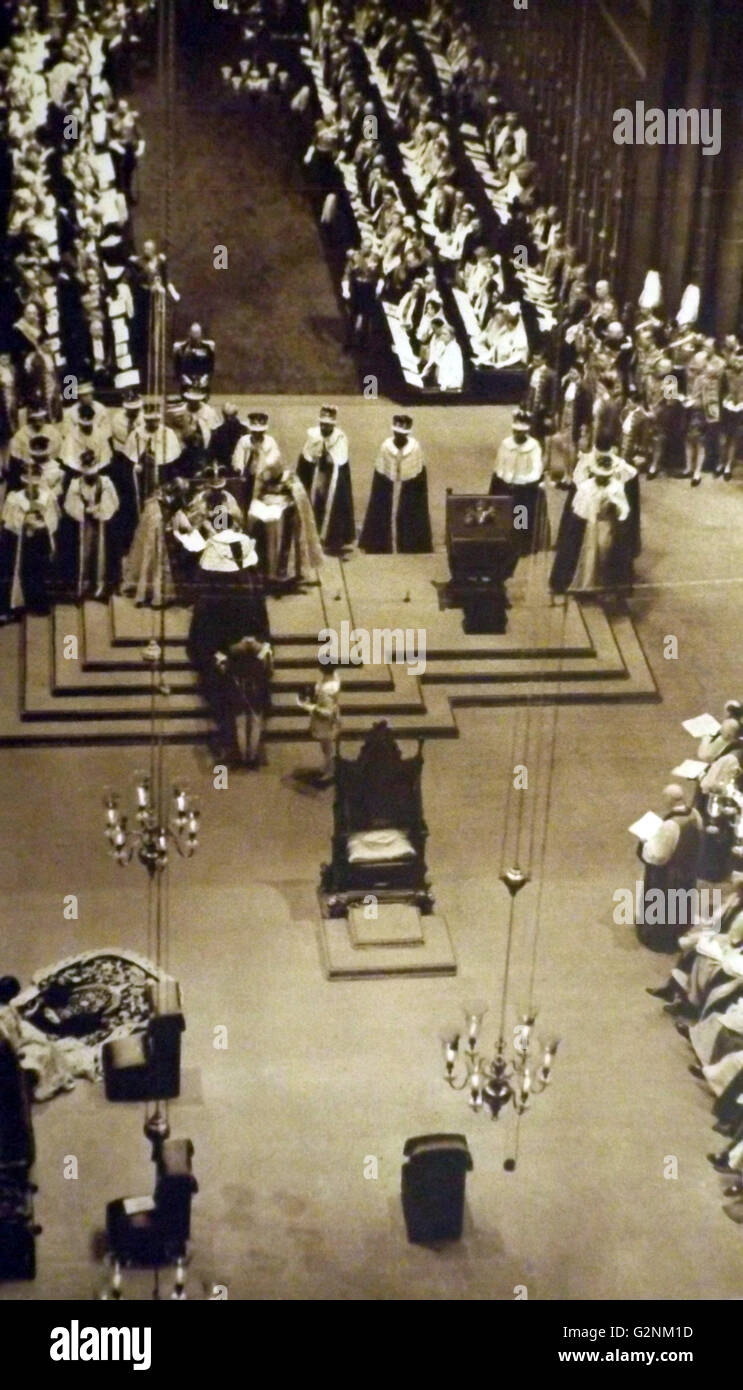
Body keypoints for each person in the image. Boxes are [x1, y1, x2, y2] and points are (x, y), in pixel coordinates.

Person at [549, 435, 639, 597]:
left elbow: (624, 507)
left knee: (604, 552)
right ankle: (585, 583)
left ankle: (605, 584)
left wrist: (616, 511)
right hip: (590, 523)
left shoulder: (616, 485)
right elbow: (579, 507)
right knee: (588, 554)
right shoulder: (587, 486)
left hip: (606, 526)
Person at [637, 784, 704, 950]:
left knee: (663, 904)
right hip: (688, 868)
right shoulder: (695, 814)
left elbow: (658, 856)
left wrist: (646, 841)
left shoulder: (671, 825)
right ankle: (681, 925)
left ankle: (659, 937)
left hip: (669, 875)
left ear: (669, 799)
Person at [359, 414, 433, 554]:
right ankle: (381, 544)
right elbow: (380, 473)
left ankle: (408, 544)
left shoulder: (415, 448)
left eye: (403, 434)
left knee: (410, 512)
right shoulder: (386, 447)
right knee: (382, 510)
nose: (399, 436)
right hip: (389, 486)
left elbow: (418, 475)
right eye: (397, 433)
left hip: (407, 487)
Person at [0, 458, 59, 620]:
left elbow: (52, 520)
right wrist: (24, 521)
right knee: (22, 571)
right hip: (21, 541)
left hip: (40, 540)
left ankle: (39, 603)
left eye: (35, 483)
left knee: (38, 571)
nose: (32, 486)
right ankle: (20, 603)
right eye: (28, 483)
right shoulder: (15, 498)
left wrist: (41, 525)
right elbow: (10, 522)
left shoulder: (47, 498)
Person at [61, 450, 120, 600]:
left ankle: (101, 587)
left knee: (101, 553)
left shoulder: (105, 482)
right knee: (84, 553)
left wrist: (100, 510)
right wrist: (83, 510)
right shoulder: (76, 483)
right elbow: (69, 504)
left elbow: (113, 502)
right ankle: (83, 586)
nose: (90, 476)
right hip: (83, 523)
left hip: (102, 523)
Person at [296, 404, 355, 552]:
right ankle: (311, 535)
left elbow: (340, 462)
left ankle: (330, 537)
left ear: (333, 425)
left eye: (327, 425)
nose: (324, 428)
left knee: (331, 504)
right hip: (317, 476)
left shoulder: (340, 438)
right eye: (322, 424)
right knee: (314, 503)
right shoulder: (313, 436)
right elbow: (306, 459)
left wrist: (329, 458)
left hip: (331, 479)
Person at [490, 408, 548, 554]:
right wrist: (504, 477)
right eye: (516, 431)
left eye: (521, 432)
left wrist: (523, 481)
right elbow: (500, 464)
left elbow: (536, 469)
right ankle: (501, 541)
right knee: (501, 512)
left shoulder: (533, 446)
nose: (518, 435)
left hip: (524, 488)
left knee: (520, 513)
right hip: (505, 484)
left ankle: (520, 544)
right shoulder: (506, 444)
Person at [297, 661, 342, 785]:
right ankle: (327, 766)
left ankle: (330, 770)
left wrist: (307, 706)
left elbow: (326, 712)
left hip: (325, 721)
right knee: (326, 745)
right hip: (331, 716)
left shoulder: (327, 689)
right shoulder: (335, 677)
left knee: (327, 746)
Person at [173, 323, 215, 393]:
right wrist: (184, 378)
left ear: (200, 334)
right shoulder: (181, 349)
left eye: (197, 334)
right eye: (194, 334)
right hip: (186, 383)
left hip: (203, 383)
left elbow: (210, 367)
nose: (195, 338)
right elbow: (177, 368)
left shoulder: (207, 348)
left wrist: (205, 378)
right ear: (190, 334)